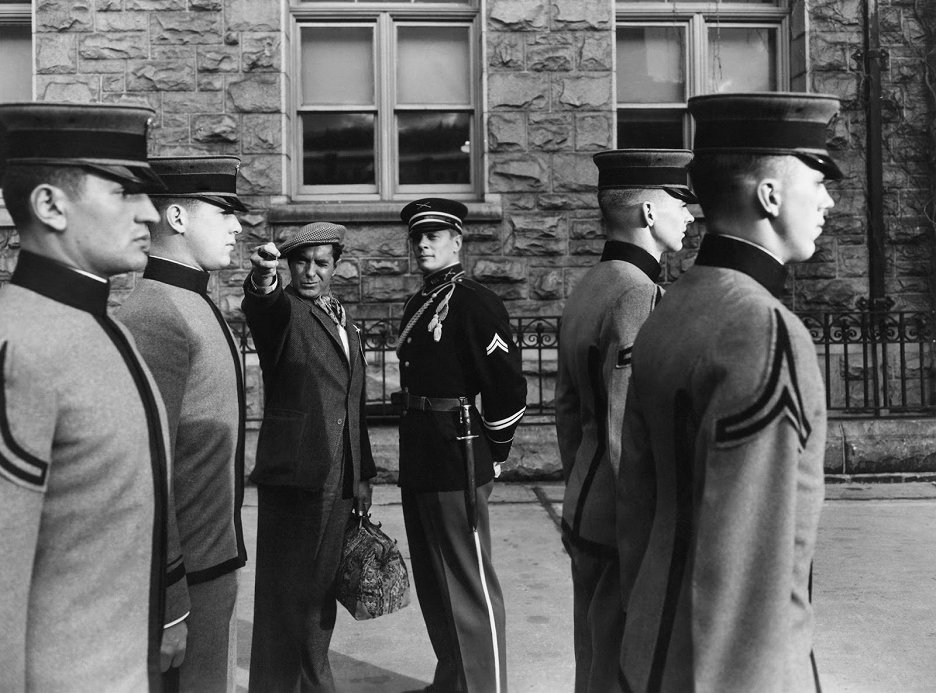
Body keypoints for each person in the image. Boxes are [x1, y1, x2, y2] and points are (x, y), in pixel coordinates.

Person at [617, 92, 840, 692]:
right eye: (817, 182)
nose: (828, 201)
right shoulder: (761, 330)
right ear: (769, 195)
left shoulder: (674, 306)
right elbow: (750, 568)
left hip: (650, 645)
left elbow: (635, 503)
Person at [0, 102, 170, 690]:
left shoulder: (108, 327)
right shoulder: (17, 346)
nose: (150, 212)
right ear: (50, 205)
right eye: (124, 192)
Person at [555, 149, 695, 693]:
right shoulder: (638, 293)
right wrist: (643, 546)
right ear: (648, 212)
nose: (690, 216)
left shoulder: (591, 283)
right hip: (622, 520)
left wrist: (579, 488)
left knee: (591, 659)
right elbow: (624, 430)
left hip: (586, 502)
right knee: (622, 669)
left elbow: (569, 412)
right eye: (680, 203)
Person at [116, 156, 249, 692]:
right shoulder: (155, 313)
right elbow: (148, 471)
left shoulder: (191, 299)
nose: (237, 227)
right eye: (223, 212)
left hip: (211, 566)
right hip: (185, 579)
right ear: (176, 218)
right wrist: (169, 602)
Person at [396, 198, 527, 693]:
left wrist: (496, 451)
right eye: (417, 237)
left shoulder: (475, 302)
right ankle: (453, 681)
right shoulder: (419, 302)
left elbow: (507, 385)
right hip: (422, 450)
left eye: (433, 235)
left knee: (469, 585)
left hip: (458, 450)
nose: (422, 244)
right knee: (434, 581)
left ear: (457, 241)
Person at [243, 222, 376, 693]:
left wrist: (362, 474)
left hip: (340, 476)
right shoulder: (286, 312)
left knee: (320, 590)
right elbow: (264, 308)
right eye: (301, 262)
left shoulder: (343, 319)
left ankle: (310, 681)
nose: (311, 272)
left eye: (322, 263)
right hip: (298, 475)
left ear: (336, 266)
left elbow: (353, 401)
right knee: (288, 593)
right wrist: (264, 279)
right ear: (289, 265)